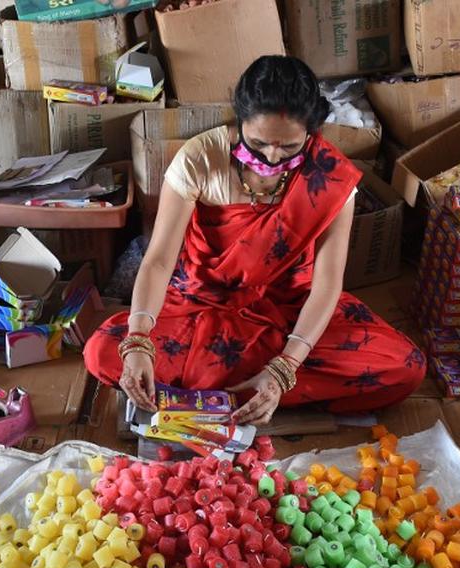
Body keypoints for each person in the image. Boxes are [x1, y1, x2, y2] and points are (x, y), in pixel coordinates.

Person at [84, 56, 426, 425]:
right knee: (103, 351)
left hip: (286, 311)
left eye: (289, 147)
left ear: (311, 134)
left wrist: (285, 366)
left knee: (403, 366)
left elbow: (327, 286)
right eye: (259, 141)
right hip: (199, 306)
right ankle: (248, 390)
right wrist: (138, 340)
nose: (272, 156)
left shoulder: (330, 178)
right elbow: (159, 261)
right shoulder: (199, 160)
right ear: (240, 120)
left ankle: (244, 387)